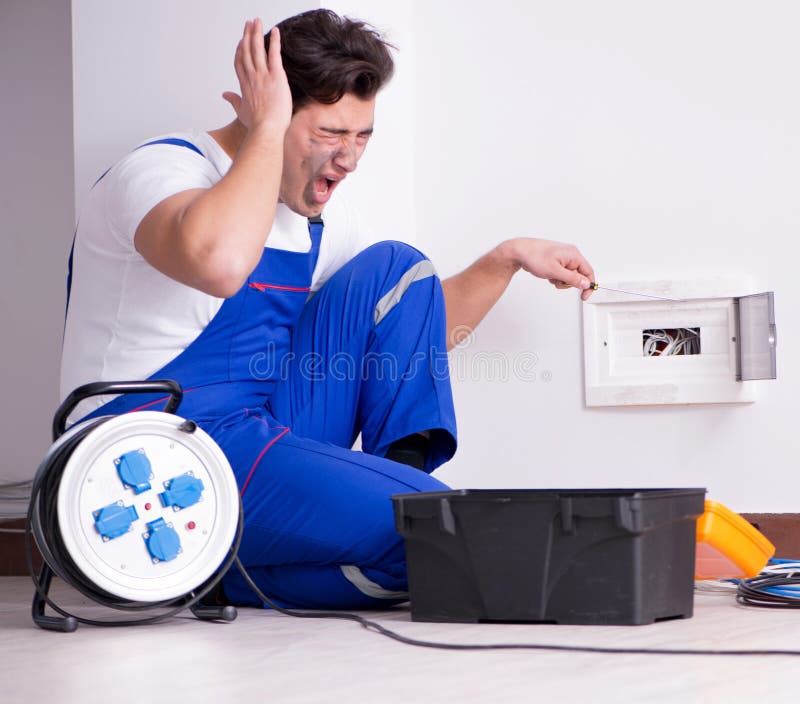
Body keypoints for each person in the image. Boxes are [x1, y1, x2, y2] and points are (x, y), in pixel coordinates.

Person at [60, 9, 595, 609]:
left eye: (362, 135)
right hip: (152, 449)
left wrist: (505, 259)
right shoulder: (161, 171)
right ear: (264, 110)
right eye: (329, 134)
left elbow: (413, 332)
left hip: (257, 429)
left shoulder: (321, 220)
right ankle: (224, 568)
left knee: (400, 268)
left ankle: (387, 499)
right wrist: (264, 130)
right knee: (443, 541)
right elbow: (218, 263)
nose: (350, 159)